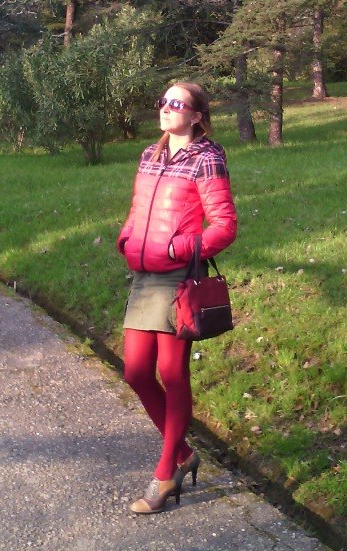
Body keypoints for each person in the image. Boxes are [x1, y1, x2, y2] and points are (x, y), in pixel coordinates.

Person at [116, 82, 237, 514]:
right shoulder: (150, 153)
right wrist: (127, 237)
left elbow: (224, 225)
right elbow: (138, 208)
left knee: (171, 372)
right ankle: (184, 454)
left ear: (197, 115)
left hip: (177, 277)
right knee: (135, 372)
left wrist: (176, 249)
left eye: (176, 104)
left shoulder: (207, 157)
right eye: (163, 102)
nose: (166, 109)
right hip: (144, 275)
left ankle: (166, 471)